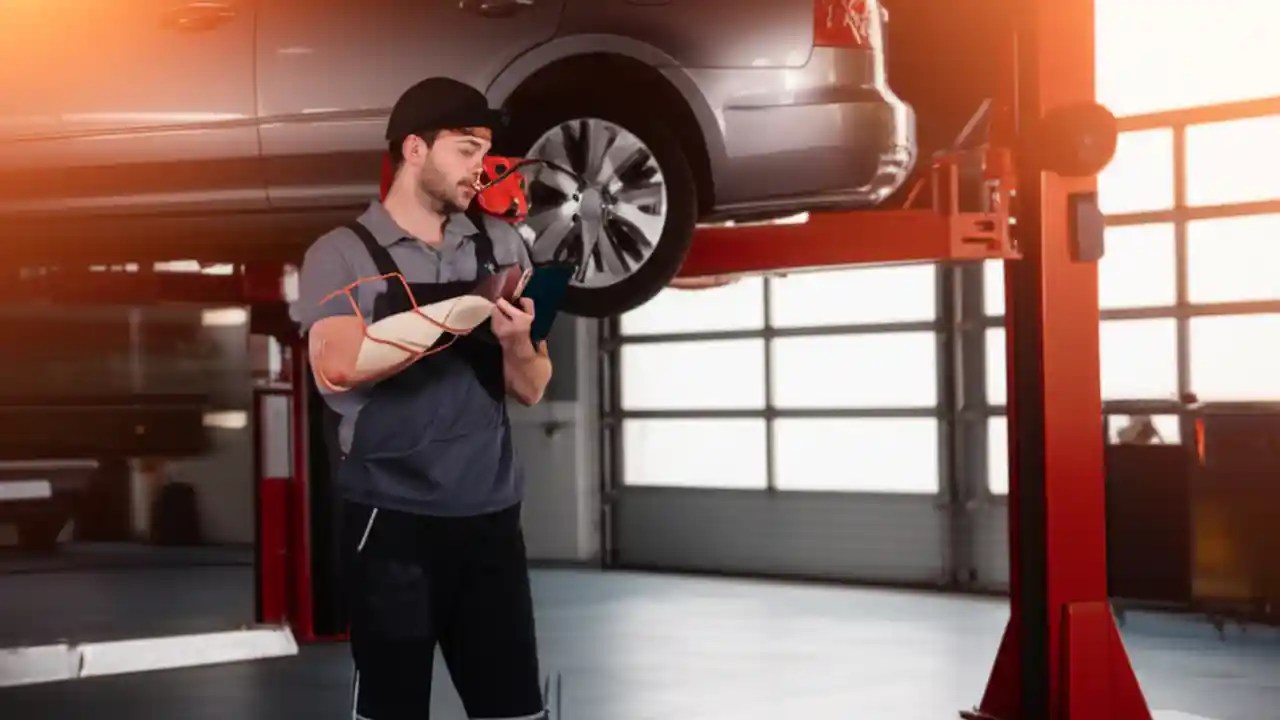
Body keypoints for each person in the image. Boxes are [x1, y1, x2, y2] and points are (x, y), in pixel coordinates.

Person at [291, 77, 554, 720]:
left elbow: (530, 386)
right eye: (466, 150)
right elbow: (337, 366)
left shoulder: (503, 244)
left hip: (491, 521)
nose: (480, 170)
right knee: (393, 710)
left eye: (485, 152)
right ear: (414, 149)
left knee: (515, 712)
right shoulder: (340, 253)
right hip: (392, 521)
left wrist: (518, 342)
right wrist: (462, 313)